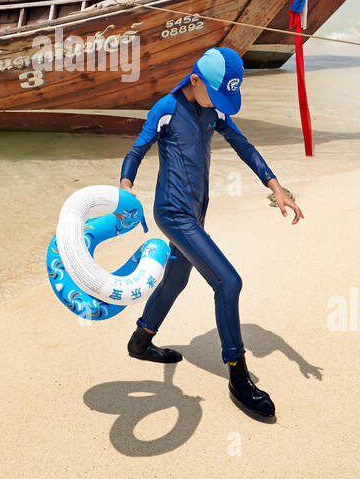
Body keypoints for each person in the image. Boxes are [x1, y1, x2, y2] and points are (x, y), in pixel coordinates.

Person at [119, 47, 303, 422]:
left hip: (196, 213)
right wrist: (125, 189)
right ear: (196, 80)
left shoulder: (212, 111)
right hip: (172, 214)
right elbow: (136, 151)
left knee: (175, 280)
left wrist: (275, 186)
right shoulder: (166, 109)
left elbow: (243, 146)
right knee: (229, 282)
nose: (219, 104)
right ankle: (238, 374)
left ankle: (140, 341)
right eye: (217, 95)